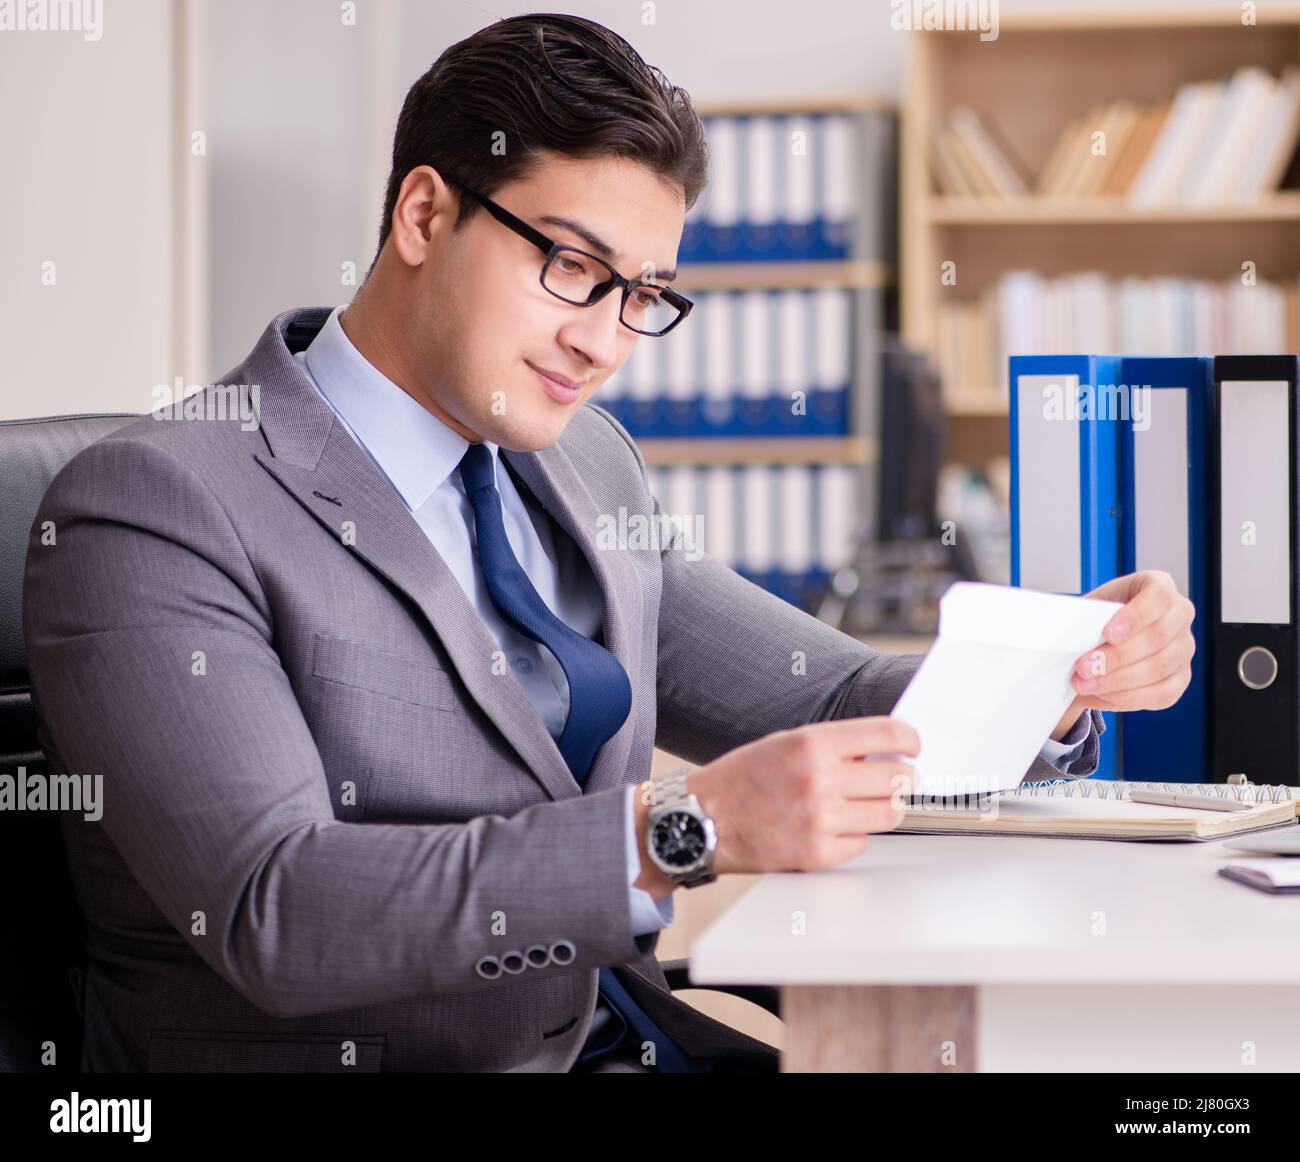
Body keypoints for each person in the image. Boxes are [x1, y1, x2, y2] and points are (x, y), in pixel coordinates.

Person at [22, 13, 1194, 1074]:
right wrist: (678, 832)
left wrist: (1056, 673)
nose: (603, 342)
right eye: (572, 267)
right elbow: (273, 907)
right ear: (423, 214)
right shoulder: (159, 505)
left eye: (644, 292)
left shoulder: (581, 465)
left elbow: (824, 689)